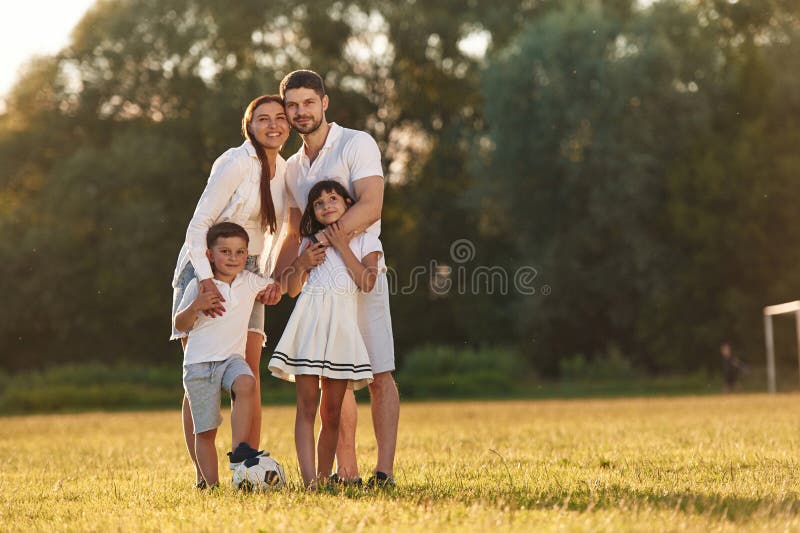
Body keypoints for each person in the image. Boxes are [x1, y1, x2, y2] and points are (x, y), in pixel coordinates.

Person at [279, 69, 399, 487]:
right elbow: (295, 233)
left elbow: (372, 205)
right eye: (292, 105)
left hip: (360, 268)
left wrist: (330, 243)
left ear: (324, 102)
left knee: (380, 374)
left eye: (308, 102)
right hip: (321, 287)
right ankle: (344, 471)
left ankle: (384, 471)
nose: (300, 111)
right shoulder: (292, 169)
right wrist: (281, 277)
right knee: (336, 379)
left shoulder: (355, 142)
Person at [170, 95, 290, 487]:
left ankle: (246, 469)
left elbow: (275, 235)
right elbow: (197, 225)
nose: (273, 125)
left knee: (247, 372)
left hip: (249, 269)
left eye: (280, 118)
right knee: (200, 373)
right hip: (206, 263)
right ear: (249, 125)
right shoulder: (235, 162)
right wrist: (206, 278)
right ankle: (205, 477)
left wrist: (269, 279)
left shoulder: (284, 170)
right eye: (263, 119)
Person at [268, 180, 381, 487]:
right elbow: (292, 290)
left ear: (348, 203)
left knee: (331, 412)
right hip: (310, 326)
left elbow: (367, 282)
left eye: (333, 199)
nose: (327, 205)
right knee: (306, 406)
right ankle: (309, 482)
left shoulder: (366, 240)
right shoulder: (310, 242)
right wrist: (302, 262)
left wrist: (341, 245)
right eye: (319, 203)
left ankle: (323, 475)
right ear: (313, 212)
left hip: (341, 331)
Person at [174, 222, 282, 488]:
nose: (233, 258)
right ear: (209, 255)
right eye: (225, 251)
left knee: (247, 382)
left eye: (240, 252)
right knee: (206, 432)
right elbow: (180, 325)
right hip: (199, 366)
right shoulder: (201, 287)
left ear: (247, 256)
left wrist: (275, 292)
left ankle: (241, 450)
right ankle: (210, 484)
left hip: (232, 360)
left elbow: (275, 290)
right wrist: (197, 306)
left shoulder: (249, 281)